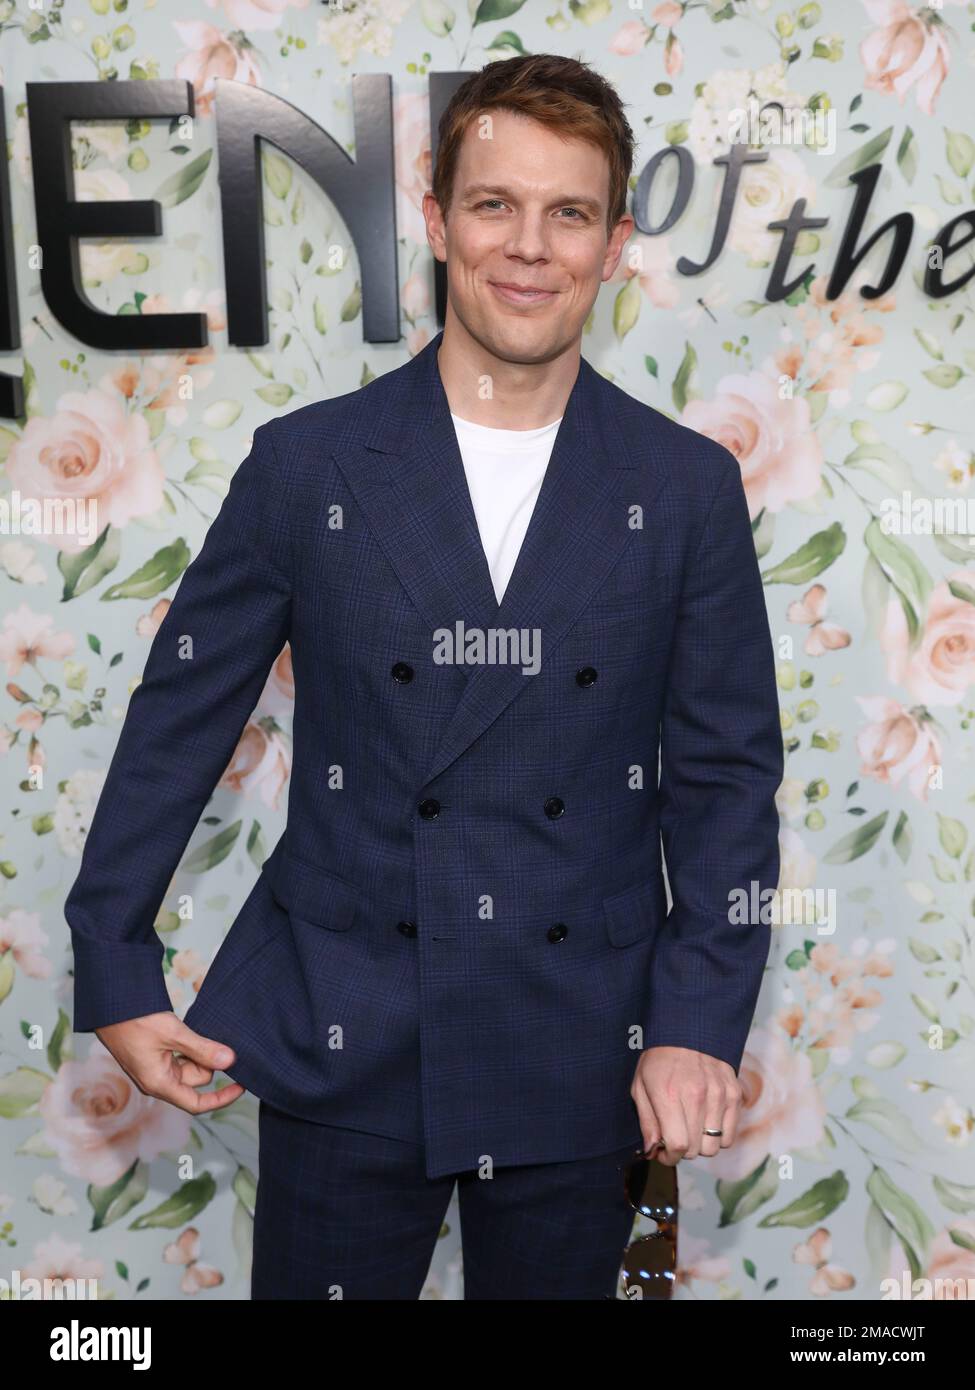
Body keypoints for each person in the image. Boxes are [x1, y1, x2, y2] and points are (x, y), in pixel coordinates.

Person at [65, 53, 783, 1300]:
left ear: (615, 245)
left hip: (581, 1043)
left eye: (569, 214)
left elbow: (726, 778)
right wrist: (115, 962)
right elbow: (180, 716)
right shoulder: (308, 467)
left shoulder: (682, 489)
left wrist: (693, 1022)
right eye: (496, 204)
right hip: (347, 1026)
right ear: (437, 219)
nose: (530, 246)